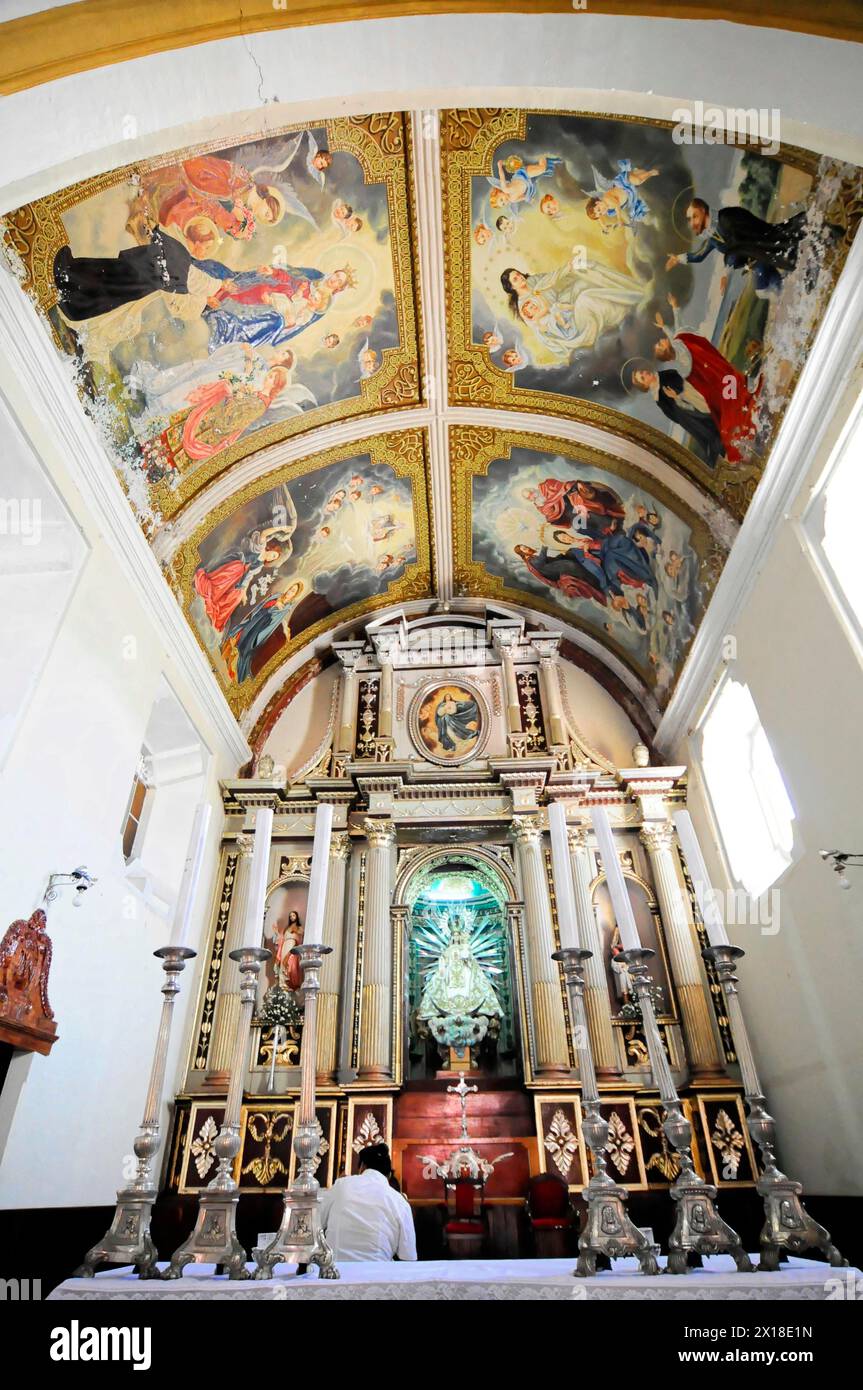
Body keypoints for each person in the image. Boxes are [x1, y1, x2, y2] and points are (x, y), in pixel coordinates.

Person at [318, 1144, 417, 1263]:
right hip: (377, 1278)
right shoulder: (400, 1202)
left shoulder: (341, 1185)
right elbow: (409, 1257)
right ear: (389, 1175)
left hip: (334, 1275)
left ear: (362, 1167)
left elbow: (316, 1222)